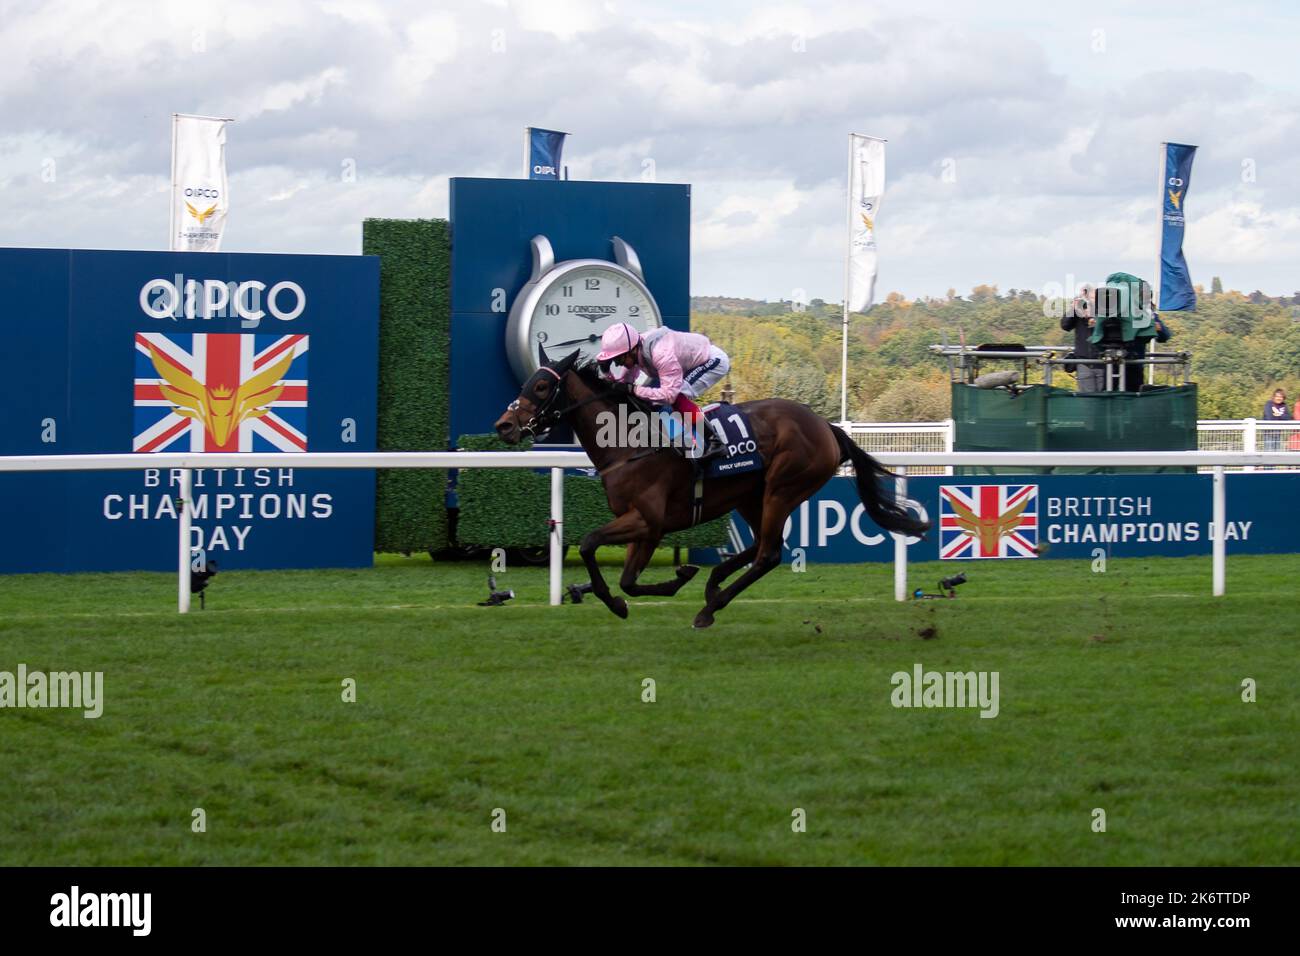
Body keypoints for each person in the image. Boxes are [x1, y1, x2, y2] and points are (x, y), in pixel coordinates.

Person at [596, 322, 730, 458]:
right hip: (690, 362)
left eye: (618, 359)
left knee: (678, 396)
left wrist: (633, 389)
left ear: (632, 350)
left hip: (712, 360)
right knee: (658, 400)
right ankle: (685, 436)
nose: (618, 364)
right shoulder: (635, 350)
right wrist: (606, 372)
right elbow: (623, 385)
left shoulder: (661, 353)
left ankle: (716, 442)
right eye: (613, 361)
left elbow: (669, 396)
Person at [1061, 284, 1102, 392]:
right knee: (1086, 399)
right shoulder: (1078, 312)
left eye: (1093, 298)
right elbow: (1065, 325)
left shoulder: (1104, 312)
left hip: (1103, 362)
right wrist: (1074, 308)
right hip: (1084, 363)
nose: (1090, 302)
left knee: (1104, 398)